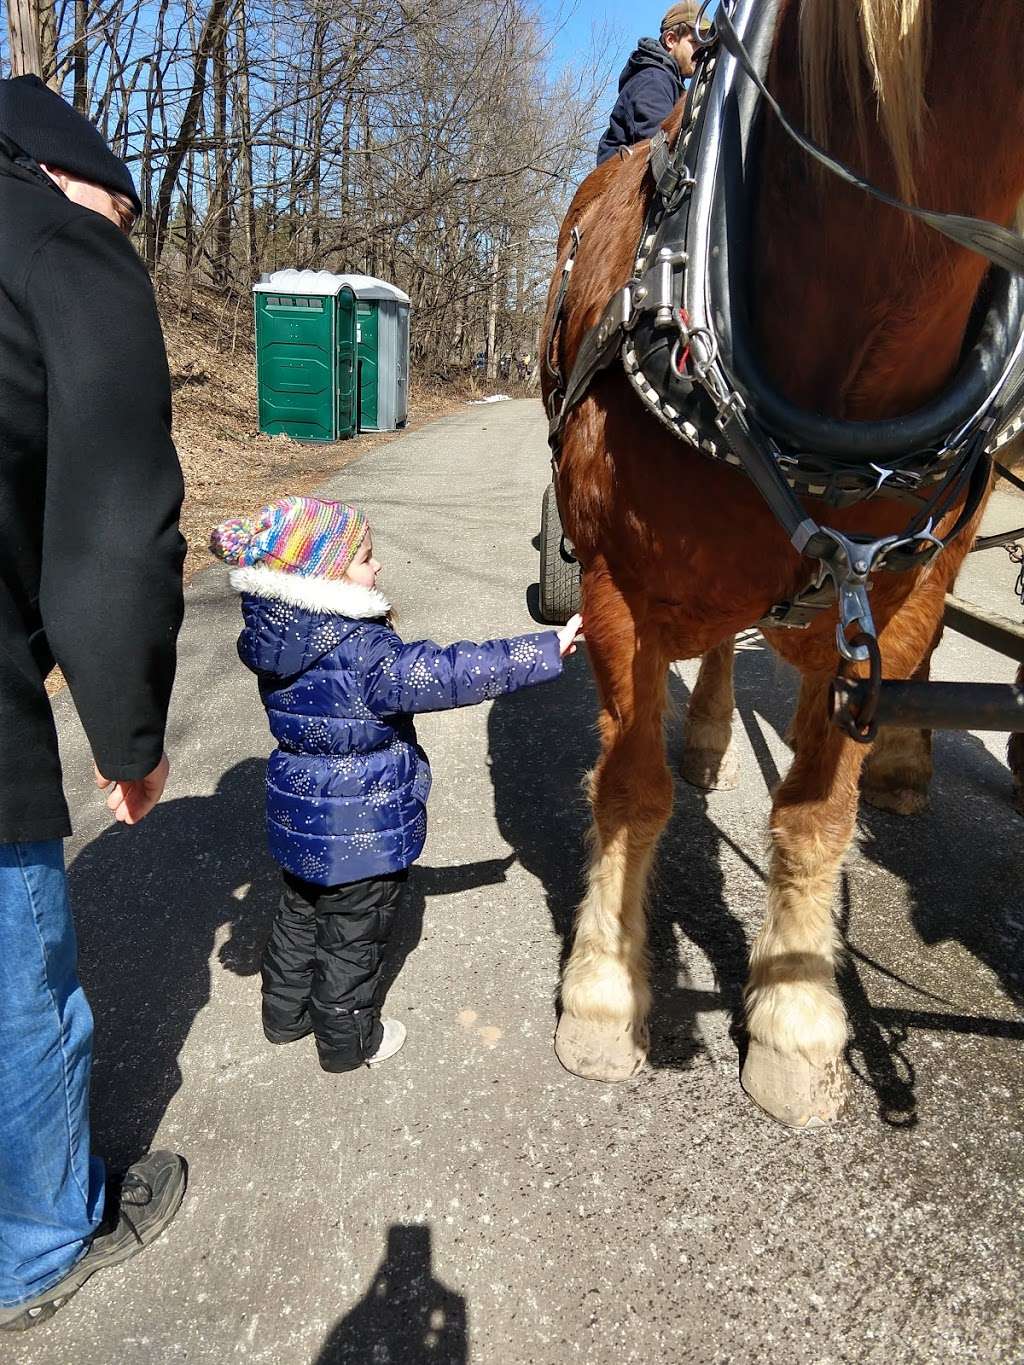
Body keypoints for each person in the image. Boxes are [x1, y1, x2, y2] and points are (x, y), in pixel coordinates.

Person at [0, 76, 188, 1332]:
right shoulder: (65, 244)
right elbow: (118, 523)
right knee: (21, 987)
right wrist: (129, 736)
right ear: (84, 179)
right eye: (125, 214)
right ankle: (40, 1244)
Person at [210, 496, 583, 1073]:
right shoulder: (361, 649)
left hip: (299, 812)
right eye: (364, 558)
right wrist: (542, 649)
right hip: (363, 825)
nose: (377, 565)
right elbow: (447, 673)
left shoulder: (276, 634)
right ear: (324, 575)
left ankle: (283, 1018)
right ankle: (349, 1043)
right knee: (353, 939)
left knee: (299, 913)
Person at [596, 3, 702, 165]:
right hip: (621, 178)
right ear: (671, 40)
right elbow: (661, 151)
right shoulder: (653, 80)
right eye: (694, 42)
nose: (700, 51)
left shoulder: (667, 81)